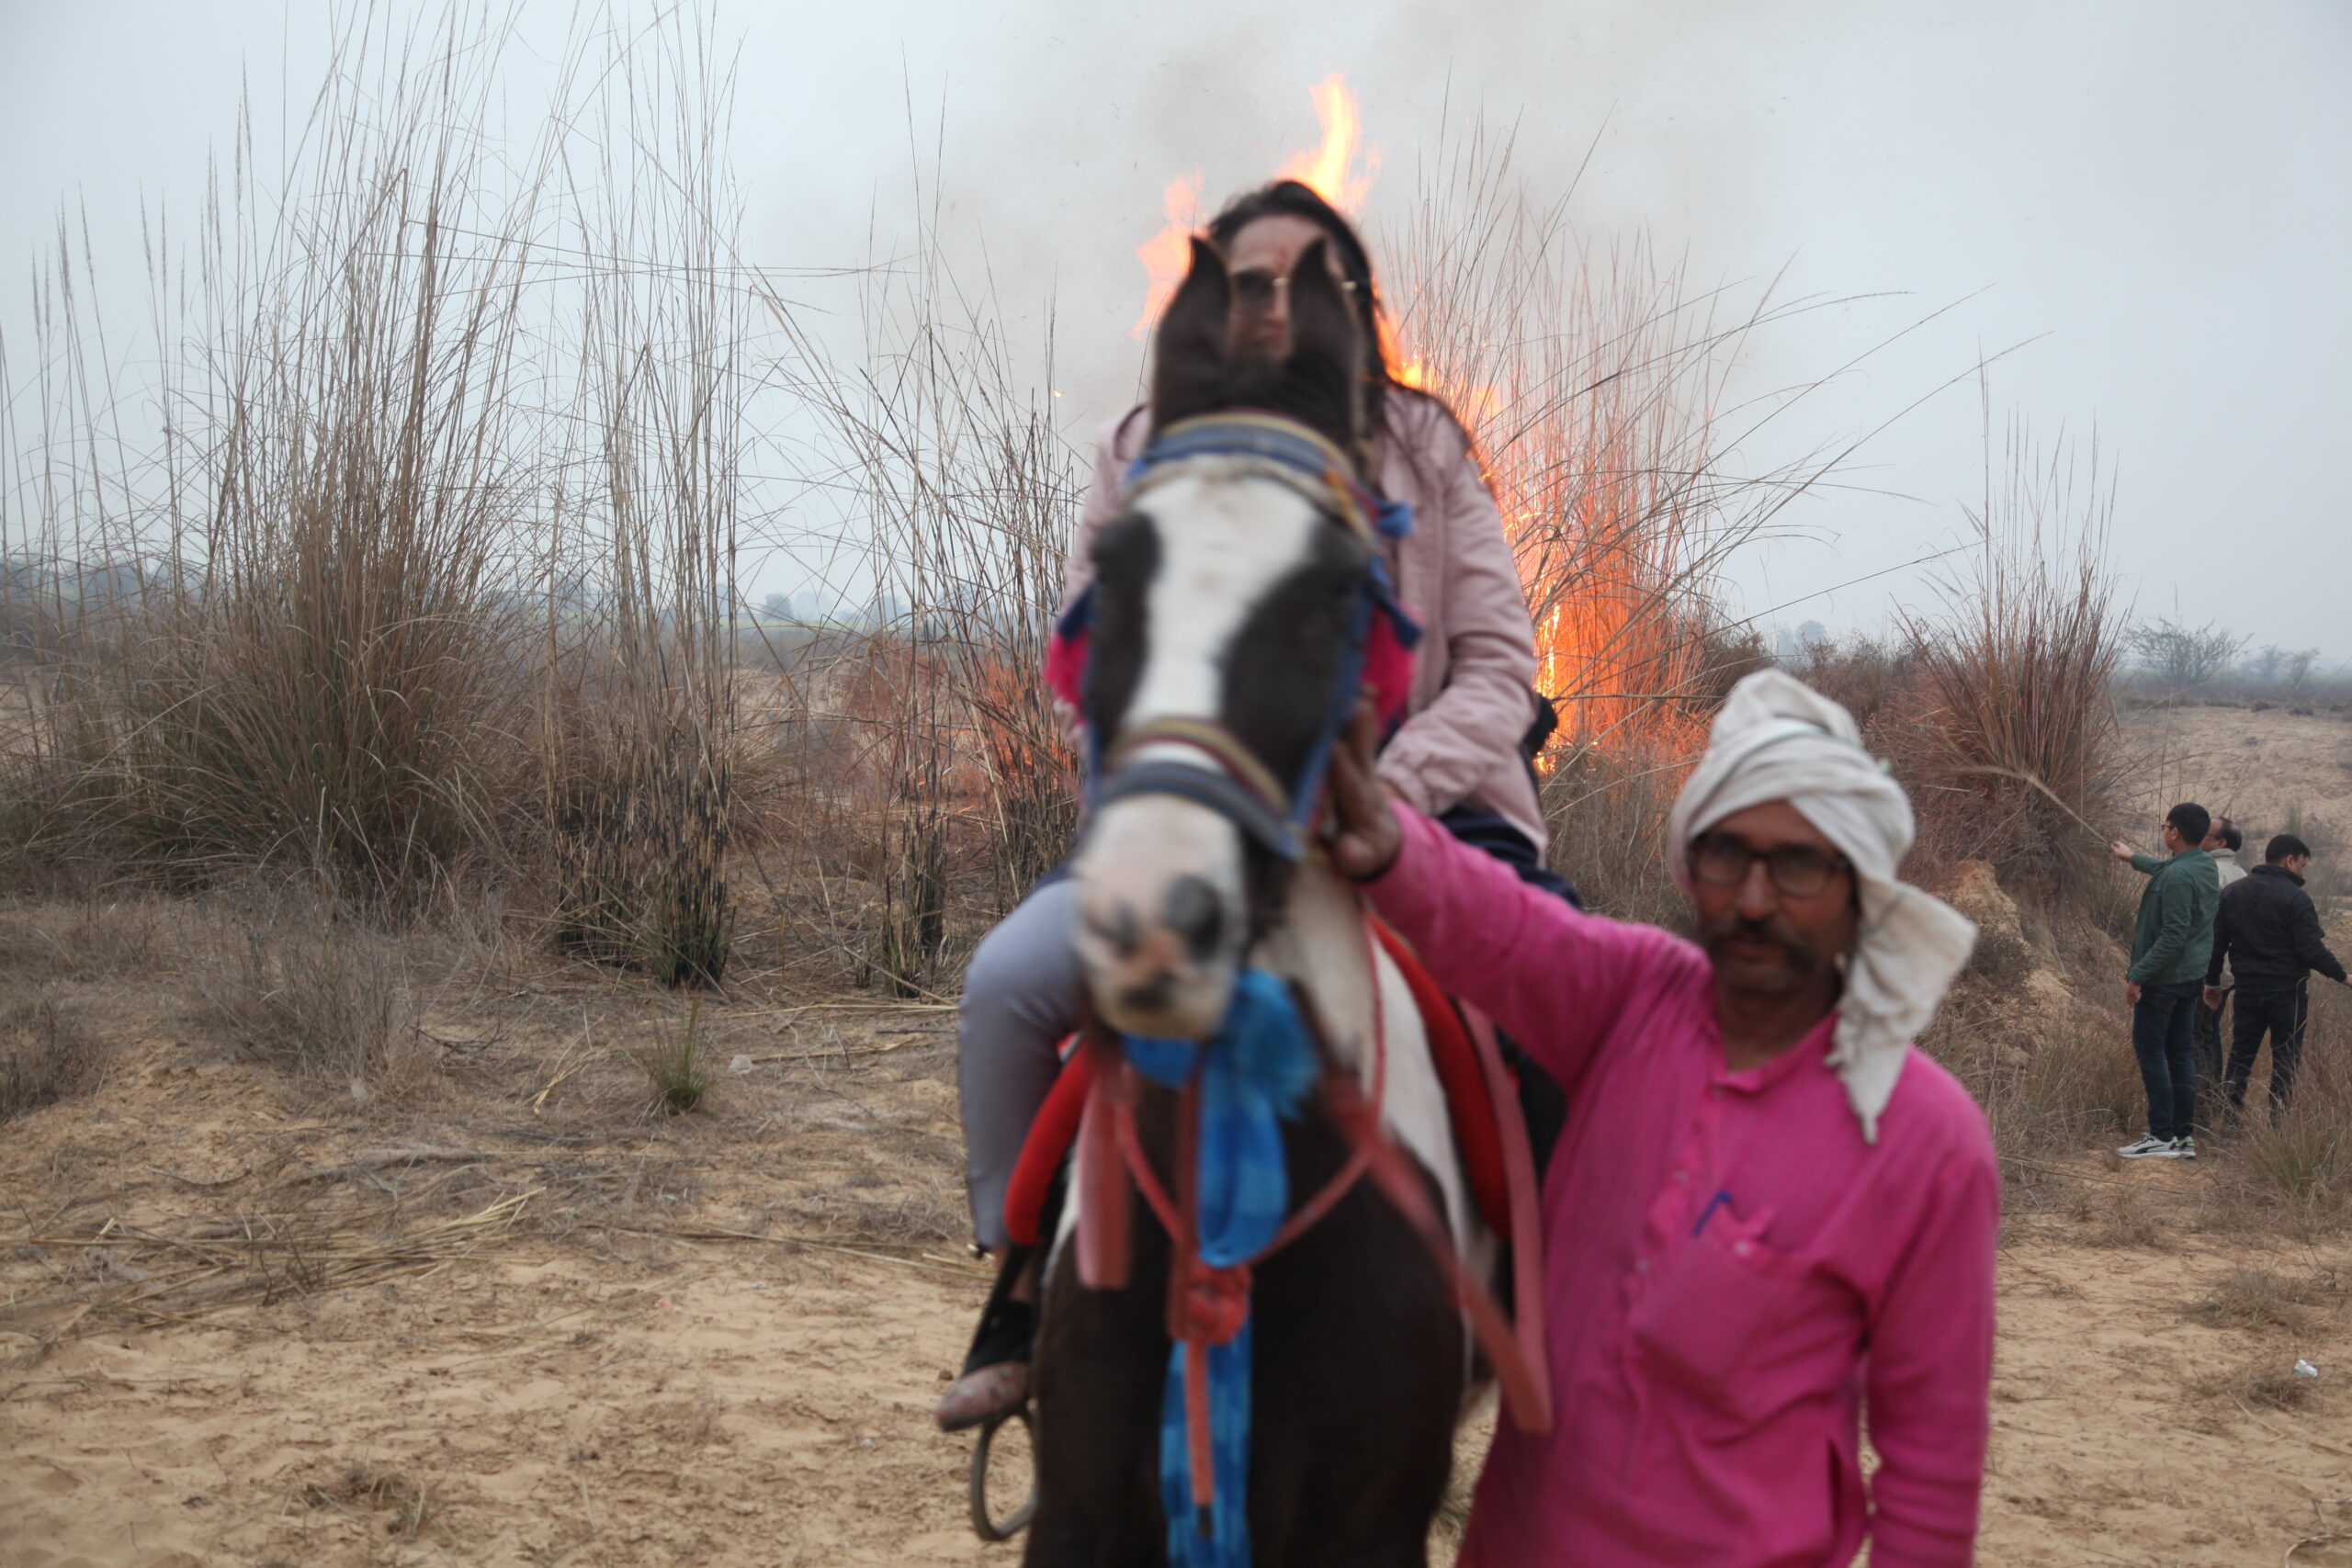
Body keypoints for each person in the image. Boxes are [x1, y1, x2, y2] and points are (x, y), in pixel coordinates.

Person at [937, 178, 1566, 1430]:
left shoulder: (1427, 445)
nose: (1276, 304)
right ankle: (1022, 1290)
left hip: (1431, 827)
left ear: (1359, 309)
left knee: (1550, 1034)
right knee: (1010, 983)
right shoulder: (1140, 445)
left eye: (1311, 282)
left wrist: (1383, 799)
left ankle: (1556, 1326)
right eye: (1248, 281)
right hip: (1191, 821)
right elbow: (1091, 660)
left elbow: (1500, 667)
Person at [1322, 667, 1996, 1567]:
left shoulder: (1926, 1140)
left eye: (1797, 864)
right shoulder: (1631, 1000)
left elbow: (1932, 1464)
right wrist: (1380, 835)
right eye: (1728, 856)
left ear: (1860, 888)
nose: (1754, 901)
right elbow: (1498, 924)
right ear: (1691, 864)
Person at [2205, 833, 2350, 1121]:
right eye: (2302, 865)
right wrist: (2343, 976)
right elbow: (2310, 949)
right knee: (2286, 1057)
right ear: (2289, 860)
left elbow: (2217, 944)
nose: (2302, 871)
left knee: (2241, 1053)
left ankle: (2229, 1115)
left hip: (2246, 988)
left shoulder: (2234, 892)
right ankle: (2278, 1121)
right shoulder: (2296, 897)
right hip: (2287, 991)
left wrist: (2212, 982)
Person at [2108, 805, 2219, 1158]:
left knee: (2151, 1051)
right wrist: (2132, 858)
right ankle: (2183, 1138)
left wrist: (2137, 975)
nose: (2163, 830)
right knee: (2181, 1052)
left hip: (2164, 980)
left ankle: (2160, 1134)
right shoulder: (2202, 864)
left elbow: (2171, 936)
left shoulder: (2176, 877)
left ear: (2174, 833)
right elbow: (2166, 869)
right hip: (2190, 977)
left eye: (2165, 826)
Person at [2193, 817, 2247, 1098]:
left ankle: (2200, 1098)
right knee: (2210, 1032)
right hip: (2229, 970)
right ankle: (2212, 1096)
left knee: (2197, 1034)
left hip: (2208, 968)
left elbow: (2202, 924)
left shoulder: (2211, 871)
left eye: (2206, 833)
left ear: (2221, 843)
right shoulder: (2242, 874)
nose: (2199, 835)